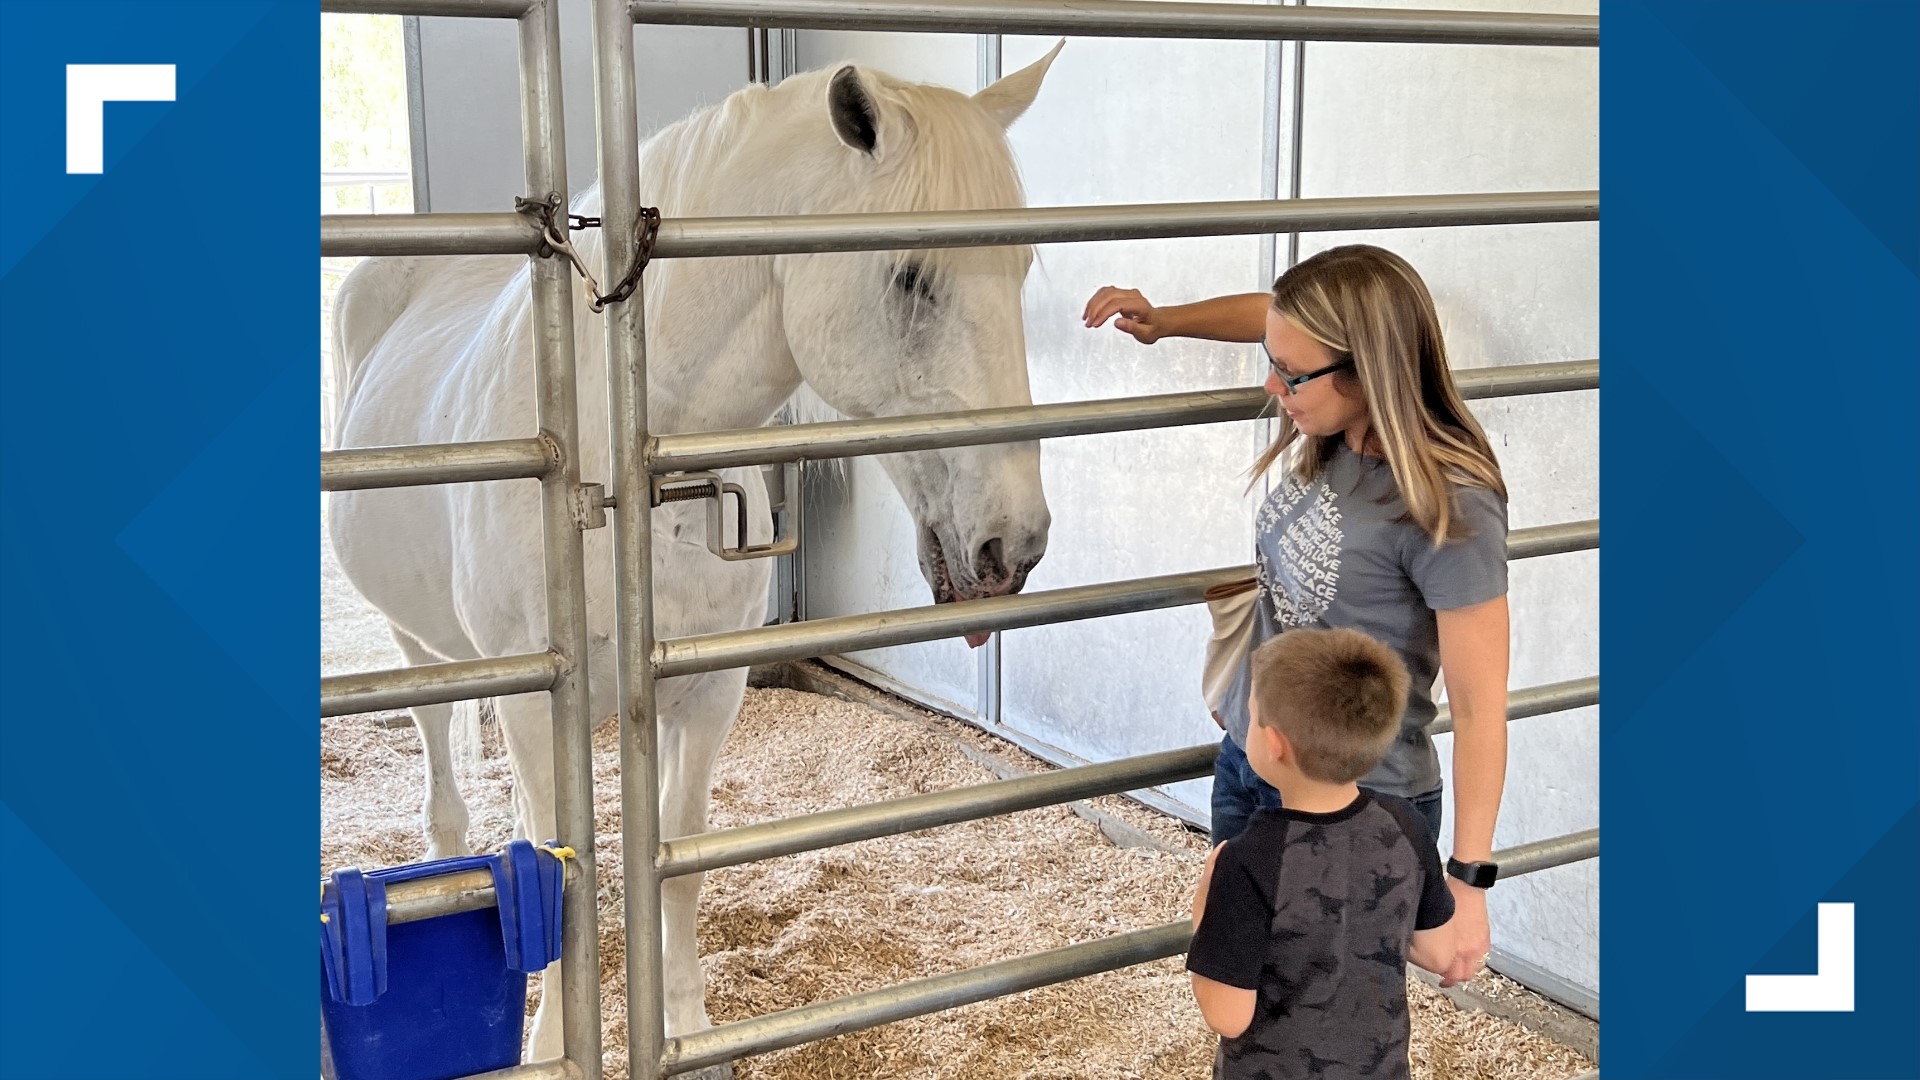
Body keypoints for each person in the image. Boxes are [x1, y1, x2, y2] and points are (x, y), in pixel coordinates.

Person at [1084, 244, 1509, 986]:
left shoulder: (1448, 505)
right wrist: (1167, 321)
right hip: (1256, 765)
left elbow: (1479, 708)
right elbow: (1273, 320)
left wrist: (1468, 881)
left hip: (1358, 801)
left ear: (1368, 367)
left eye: (1292, 374)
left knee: (1324, 1020)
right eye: (1272, 360)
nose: (1273, 384)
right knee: (1241, 995)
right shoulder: (1331, 428)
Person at [1187, 628, 1456, 1080]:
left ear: (1274, 744)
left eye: (1250, 715)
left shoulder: (1247, 861)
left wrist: (1205, 908)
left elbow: (1227, 1015)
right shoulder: (1405, 825)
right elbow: (1437, 950)